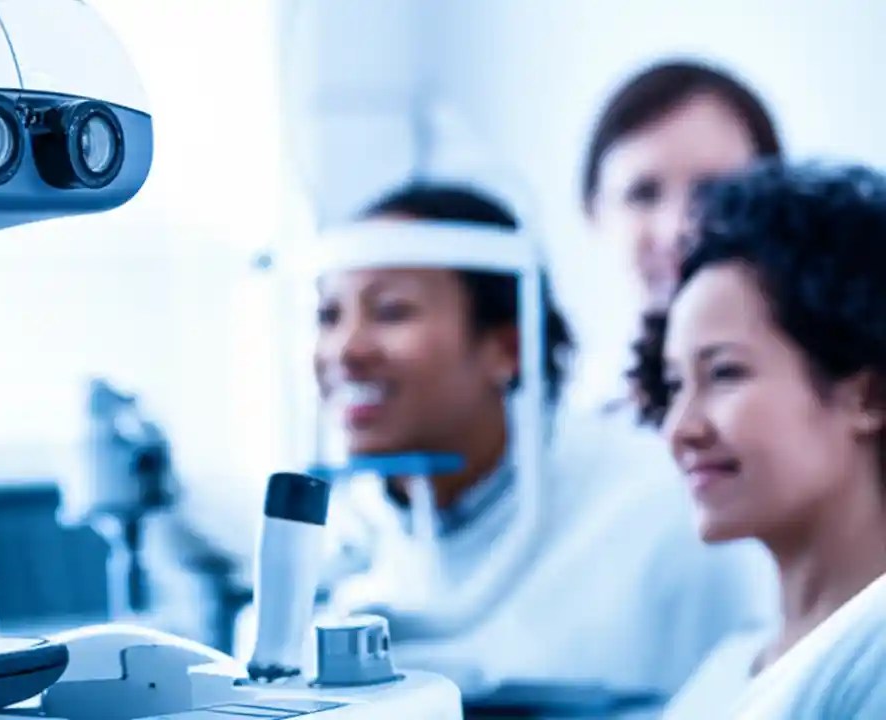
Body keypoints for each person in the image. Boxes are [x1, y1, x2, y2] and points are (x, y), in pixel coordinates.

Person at [308, 181, 775, 700]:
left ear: (507, 347)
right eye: (328, 315)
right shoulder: (340, 552)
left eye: (392, 311)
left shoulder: (665, 516)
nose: (346, 349)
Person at [638, 161, 886, 717]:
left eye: (724, 373)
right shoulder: (729, 669)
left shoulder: (870, 663)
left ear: (868, 397)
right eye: (675, 383)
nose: (681, 428)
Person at [578, 58, 783, 412]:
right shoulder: (552, 428)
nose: (677, 230)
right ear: (594, 214)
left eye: (715, 192)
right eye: (643, 194)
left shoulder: (840, 411)